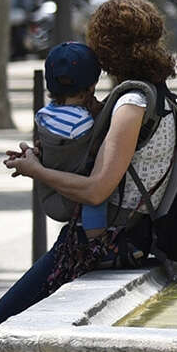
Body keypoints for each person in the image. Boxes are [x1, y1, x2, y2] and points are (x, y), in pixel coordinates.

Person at [0, 0, 177, 352]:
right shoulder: (154, 92)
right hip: (107, 238)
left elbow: (96, 189)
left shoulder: (131, 100)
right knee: (1, 336)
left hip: (97, 245)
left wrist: (36, 171)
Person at [35, 43, 107, 234]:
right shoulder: (83, 122)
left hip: (49, 196)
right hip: (74, 199)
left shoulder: (43, 115)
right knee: (98, 193)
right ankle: (96, 240)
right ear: (92, 84)